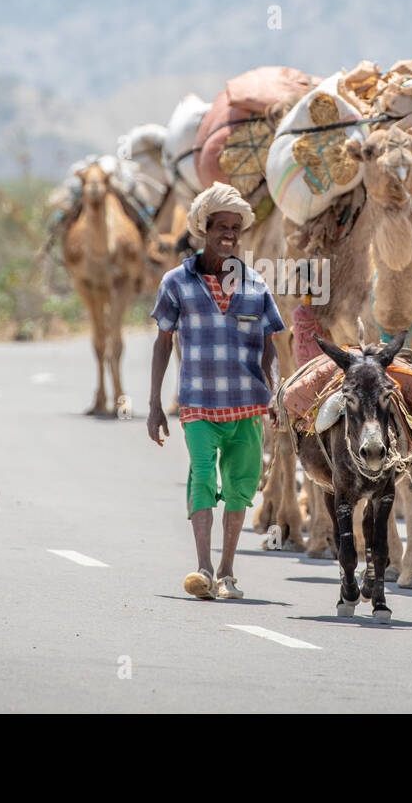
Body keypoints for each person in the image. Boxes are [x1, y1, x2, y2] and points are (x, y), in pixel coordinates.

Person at [147, 182, 284, 601]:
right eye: (221, 226)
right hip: (198, 404)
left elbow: (269, 346)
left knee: (241, 486)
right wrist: (154, 404)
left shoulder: (256, 286)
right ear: (203, 229)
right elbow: (163, 342)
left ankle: (227, 571)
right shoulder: (176, 282)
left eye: (235, 228)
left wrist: (275, 393)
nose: (229, 234)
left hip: (247, 405)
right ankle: (203, 568)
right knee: (203, 479)